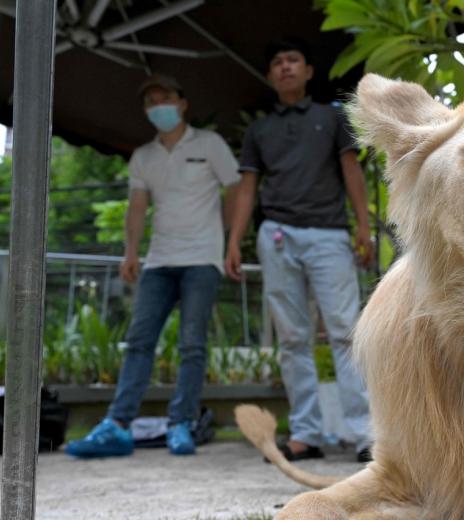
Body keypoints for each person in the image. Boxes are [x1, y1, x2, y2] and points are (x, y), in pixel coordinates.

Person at [65, 74, 241, 458]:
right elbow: (137, 207)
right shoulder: (142, 156)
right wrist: (130, 252)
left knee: (192, 345)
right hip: (158, 260)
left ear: (182, 103)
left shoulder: (210, 144)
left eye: (165, 97)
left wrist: (229, 237)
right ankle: (117, 425)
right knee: (139, 342)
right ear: (146, 112)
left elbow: (236, 186)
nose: (159, 105)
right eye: (151, 101)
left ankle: (182, 424)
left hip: (202, 259)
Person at [225, 37, 374, 463]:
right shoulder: (259, 130)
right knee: (291, 338)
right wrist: (234, 240)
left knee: (345, 332)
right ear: (270, 75)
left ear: (308, 71)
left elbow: (351, 171)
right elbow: (247, 187)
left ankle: (367, 434)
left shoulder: (333, 117)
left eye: (293, 60)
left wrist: (363, 226)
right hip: (277, 235)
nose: (285, 67)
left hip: (329, 234)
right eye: (277, 62)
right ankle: (305, 434)